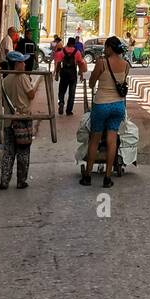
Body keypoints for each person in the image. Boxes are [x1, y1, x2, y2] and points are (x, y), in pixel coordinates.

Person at [80, 36, 129, 189]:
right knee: (112, 139)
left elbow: (91, 83)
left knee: (95, 138)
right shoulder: (126, 64)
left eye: (105, 47)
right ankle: (107, 177)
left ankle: (88, 175)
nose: (104, 50)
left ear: (109, 48)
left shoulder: (102, 62)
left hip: (101, 105)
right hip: (118, 106)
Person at [0, 51, 39, 190]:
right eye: (22, 62)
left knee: (8, 152)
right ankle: (21, 181)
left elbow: (2, 102)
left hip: (9, 120)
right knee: (23, 151)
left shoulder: (4, 80)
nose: (24, 64)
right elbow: (31, 95)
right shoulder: (22, 77)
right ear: (17, 65)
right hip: (22, 119)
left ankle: (4, 181)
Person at [54, 37, 86, 116]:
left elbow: (58, 64)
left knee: (62, 90)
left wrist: (57, 74)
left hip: (64, 73)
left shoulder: (62, 51)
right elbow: (80, 64)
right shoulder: (77, 52)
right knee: (72, 93)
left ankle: (61, 102)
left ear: (68, 42)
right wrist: (81, 74)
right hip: (72, 74)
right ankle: (69, 110)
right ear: (74, 43)